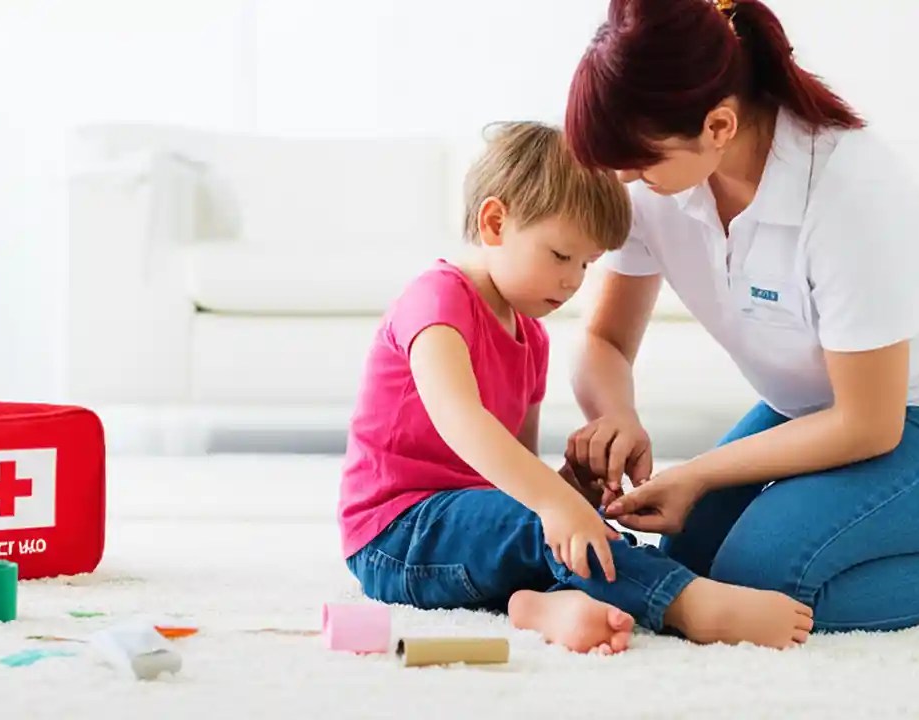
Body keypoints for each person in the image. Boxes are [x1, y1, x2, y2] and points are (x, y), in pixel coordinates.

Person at [562, 0, 919, 634]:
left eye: (639, 160)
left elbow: (869, 423)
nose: (623, 177)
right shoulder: (656, 183)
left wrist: (697, 474)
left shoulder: (846, 189)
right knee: (691, 563)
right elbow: (605, 338)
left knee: (759, 581)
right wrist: (616, 416)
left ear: (718, 125)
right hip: (816, 410)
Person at [337, 121, 814, 653]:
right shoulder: (437, 301)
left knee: (564, 523)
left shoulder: (532, 338)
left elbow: (514, 470)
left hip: (470, 533)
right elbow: (462, 423)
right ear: (495, 223)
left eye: (587, 263)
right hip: (396, 535)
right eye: (561, 256)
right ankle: (687, 603)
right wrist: (555, 502)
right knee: (549, 520)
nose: (573, 280)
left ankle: (538, 605)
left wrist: (573, 487)